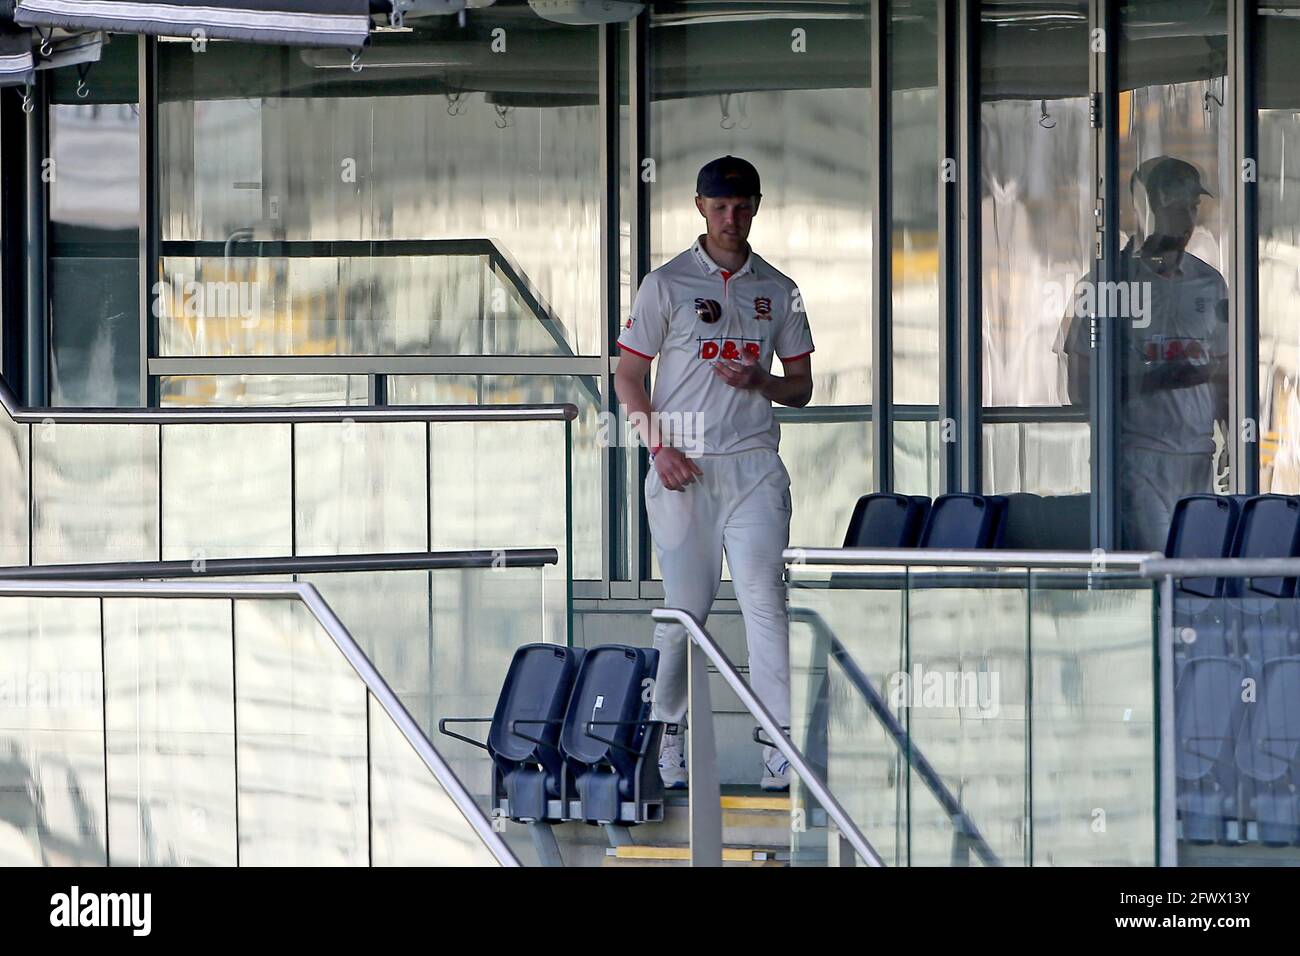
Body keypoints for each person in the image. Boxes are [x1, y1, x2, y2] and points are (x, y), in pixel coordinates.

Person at [613, 155, 815, 792]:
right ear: (700, 207)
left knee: (766, 602)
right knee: (686, 611)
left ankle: (779, 749)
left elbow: (802, 387)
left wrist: (764, 380)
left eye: (742, 205)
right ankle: (667, 736)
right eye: (720, 206)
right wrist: (657, 447)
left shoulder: (779, 288)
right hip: (684, 466)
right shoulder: (665, 283)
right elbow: (626, 374)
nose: (732, 217)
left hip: (754, 464)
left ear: (756, 205)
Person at [1060, 155, 1229, 552]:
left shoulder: (1210, 283)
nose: (1188, 219)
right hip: (1137, 457)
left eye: (1193, 207)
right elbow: (1081, 388)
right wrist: (1152, 381)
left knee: (1195, 570)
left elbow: (1225, 372)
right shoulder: (1104, 285)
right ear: (1149, 207)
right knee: (1156, 569)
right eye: (1176, 207)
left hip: (1198, 453)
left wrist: (1232, 439)